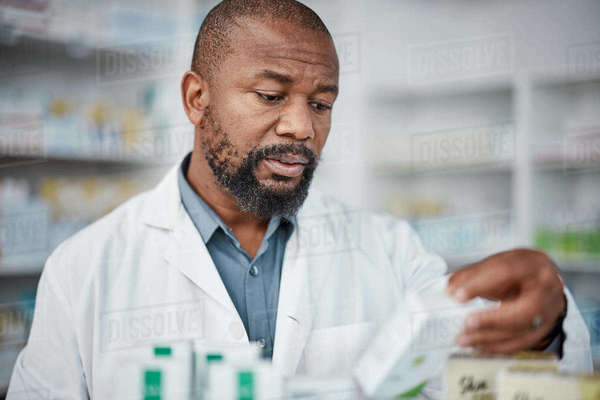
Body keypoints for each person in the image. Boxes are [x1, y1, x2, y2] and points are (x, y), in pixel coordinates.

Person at [7, 0, 591, 398]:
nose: (301, 128)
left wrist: (548, 319)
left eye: (321, 103)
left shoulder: (387, 248)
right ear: (195, 98)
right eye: (269, 95)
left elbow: (473, 378)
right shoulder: (86, 268)